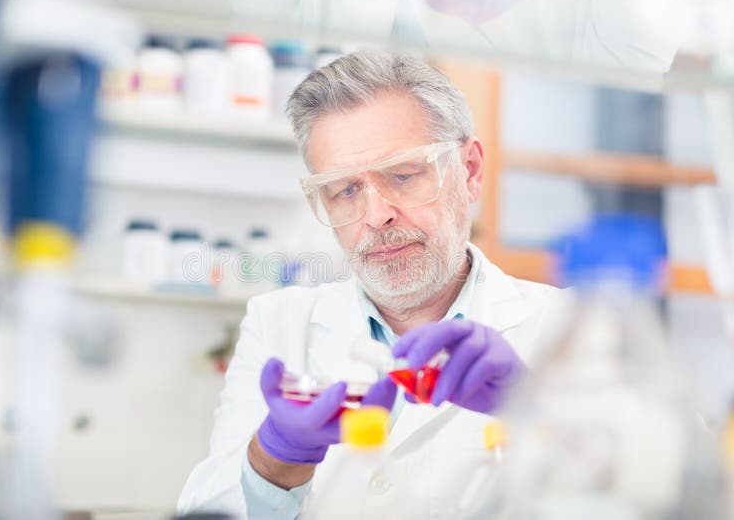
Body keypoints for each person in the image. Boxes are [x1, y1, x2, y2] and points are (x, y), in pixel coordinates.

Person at [178, 50, 565, 519]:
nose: (376, 216)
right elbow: (206, 510)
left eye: (403, 176)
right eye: (345, 190)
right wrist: (274, 459)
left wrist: (538, 417)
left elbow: (635, 500)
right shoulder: (278, 322)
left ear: (470, 171)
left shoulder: (565, 327)